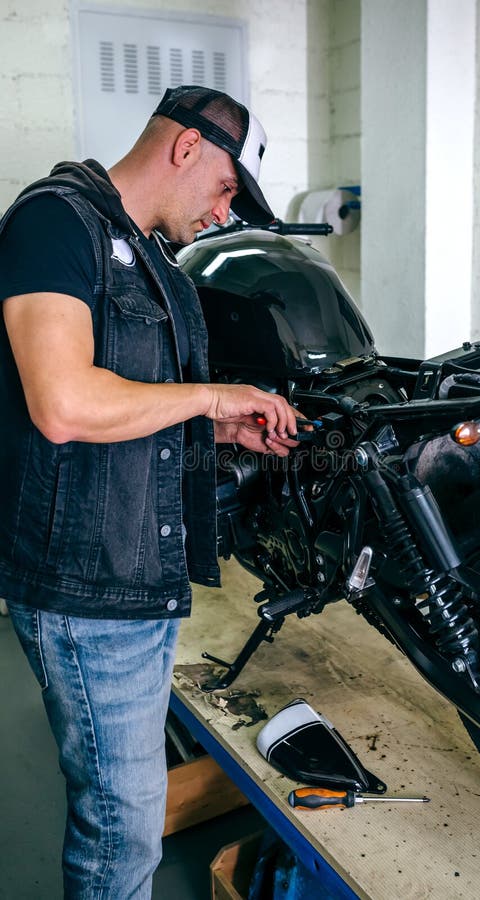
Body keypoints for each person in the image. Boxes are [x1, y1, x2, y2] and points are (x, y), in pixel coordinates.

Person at [0, 85, 300, 899]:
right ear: (186, 148)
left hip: (136, 578)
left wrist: (215, 430)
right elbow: (63, 403)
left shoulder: (152, 256)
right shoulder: (56, 224)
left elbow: (131, 405)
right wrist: (208, 398)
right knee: (122, 834)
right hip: (86, 588)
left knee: (124, 820)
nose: (223, 211)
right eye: (228, 187)